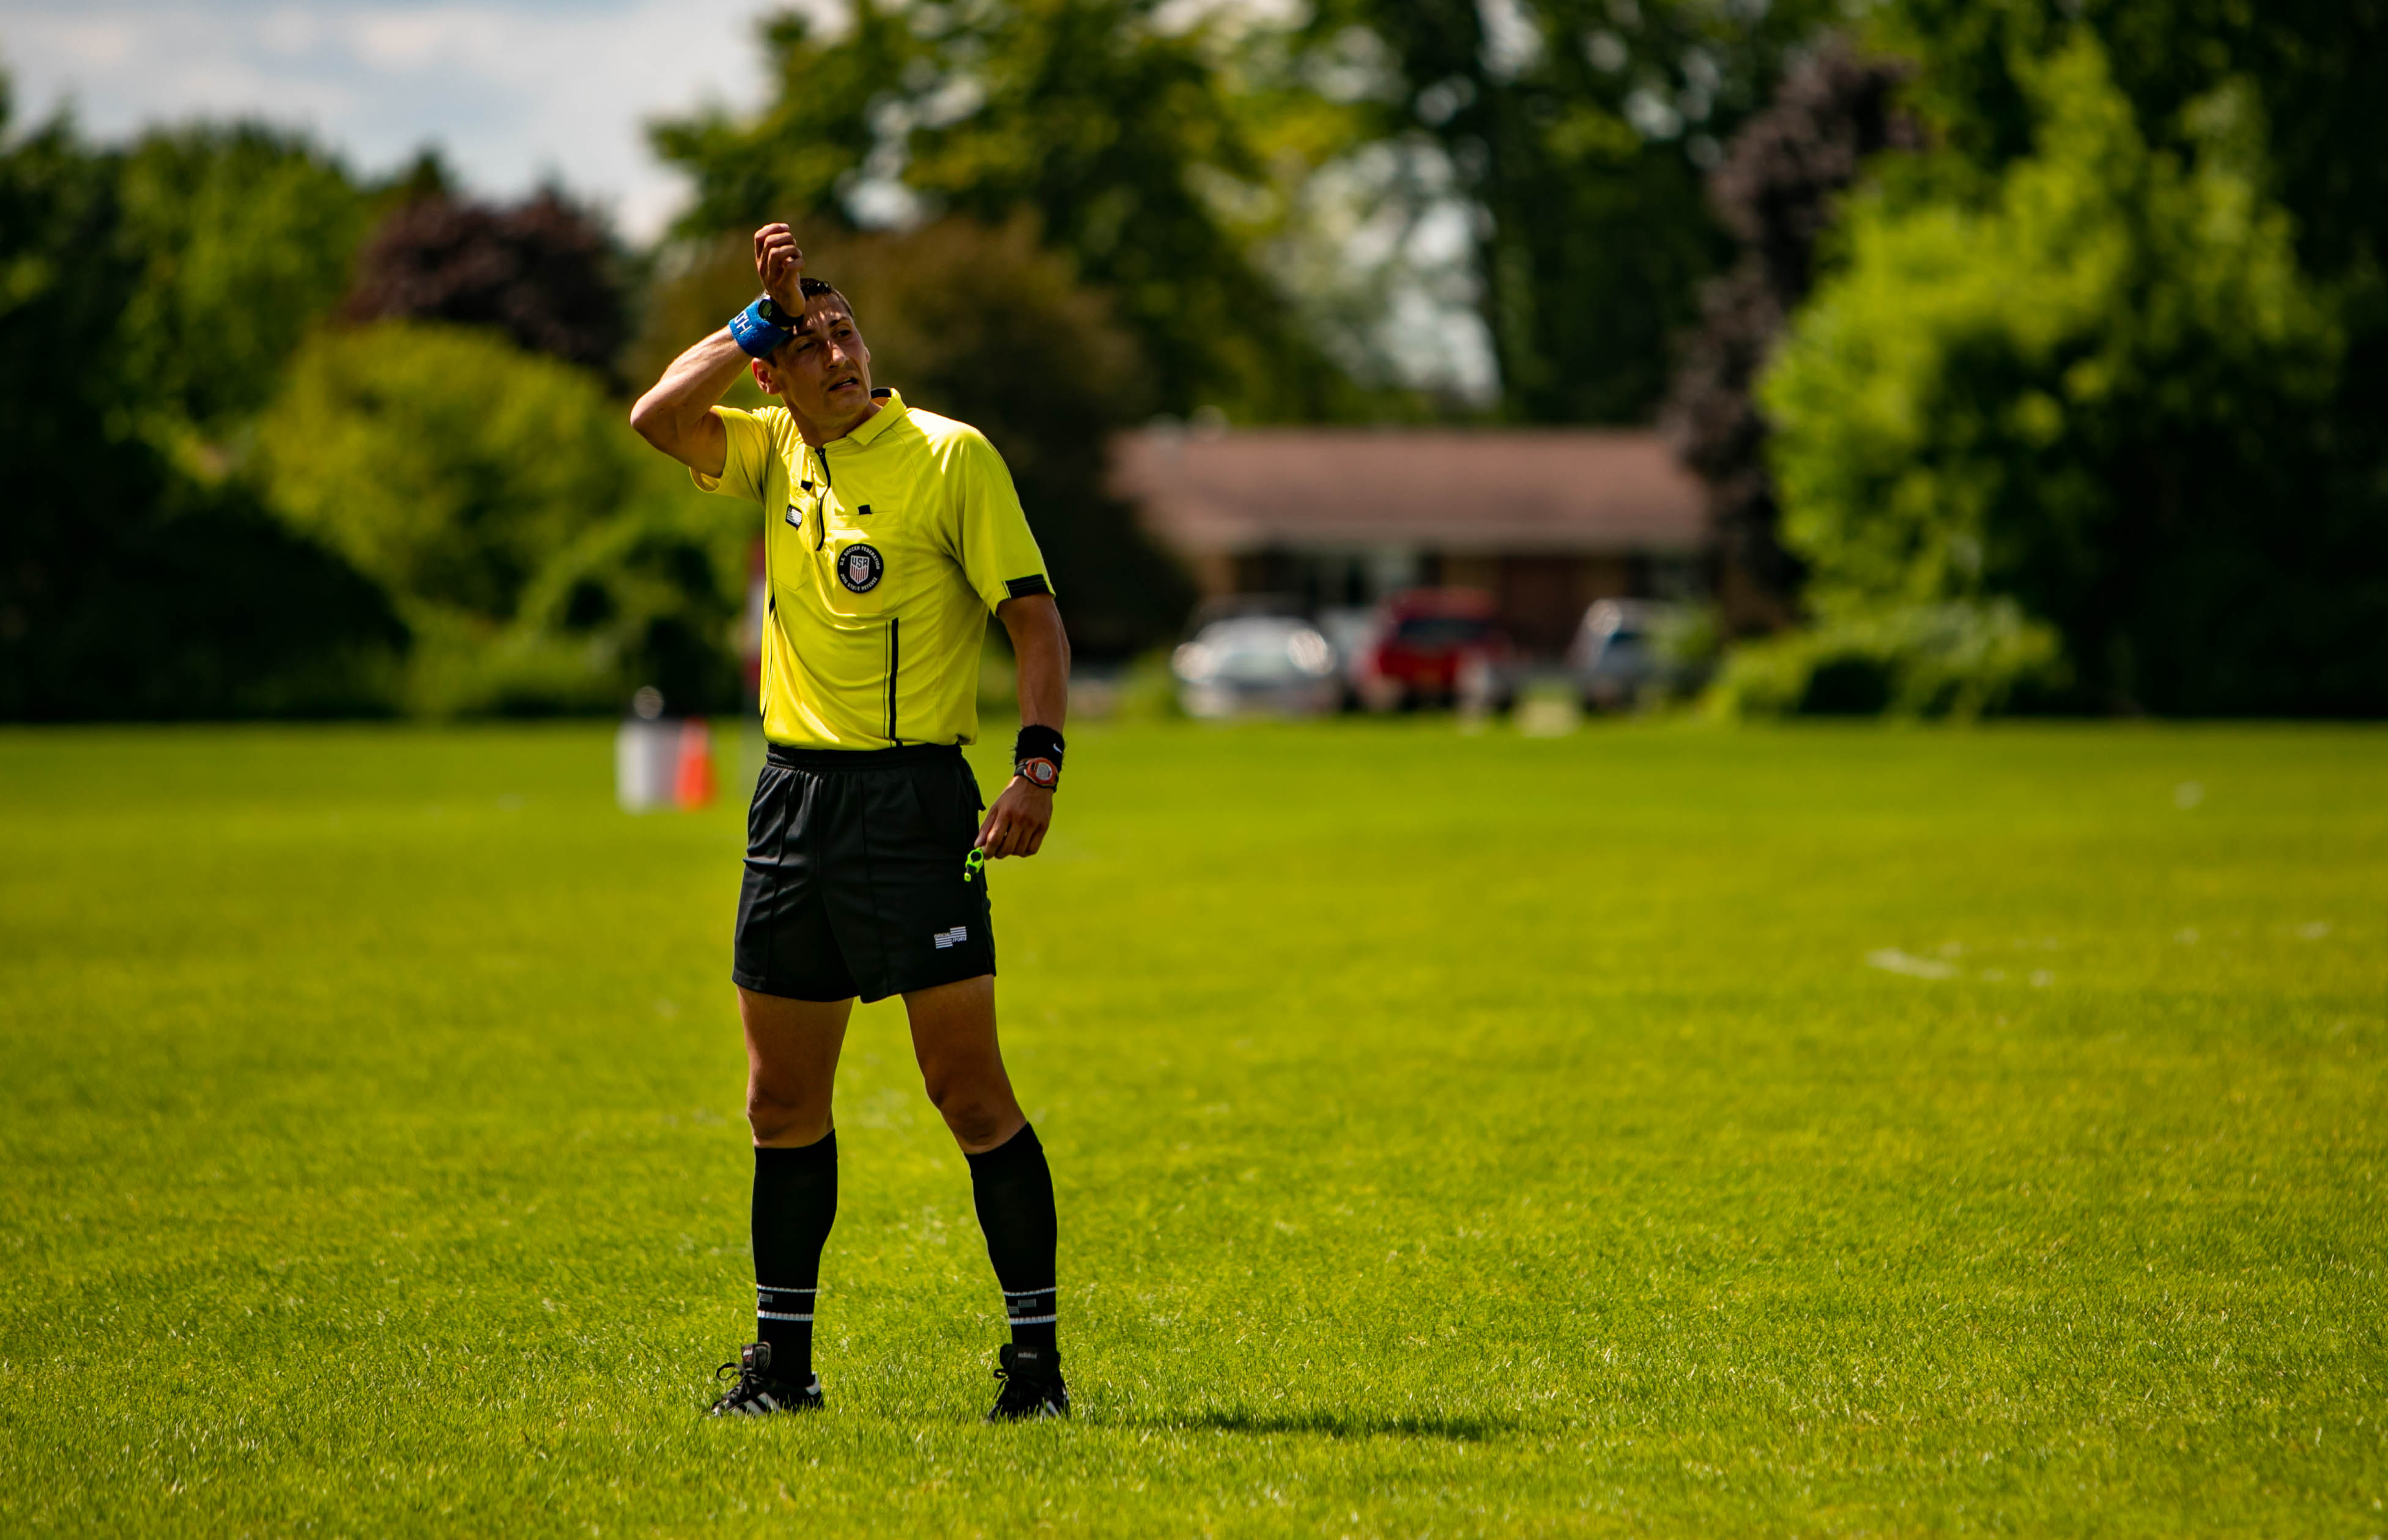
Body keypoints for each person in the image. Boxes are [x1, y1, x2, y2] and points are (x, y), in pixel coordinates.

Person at [629, 223, 1073, 1421]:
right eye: (810, 340)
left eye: (847, 331)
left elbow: (1032, 620)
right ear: (773, 370)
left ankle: (1033, 1367)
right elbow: (655, 418)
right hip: (791, 802)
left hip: (915, 801)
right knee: (779, 1101)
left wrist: (1036, 765)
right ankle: (783, 1369)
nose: (839, 354)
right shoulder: (768, 445)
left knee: (967, 1091)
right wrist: (748, 322)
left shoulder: (949, 454)